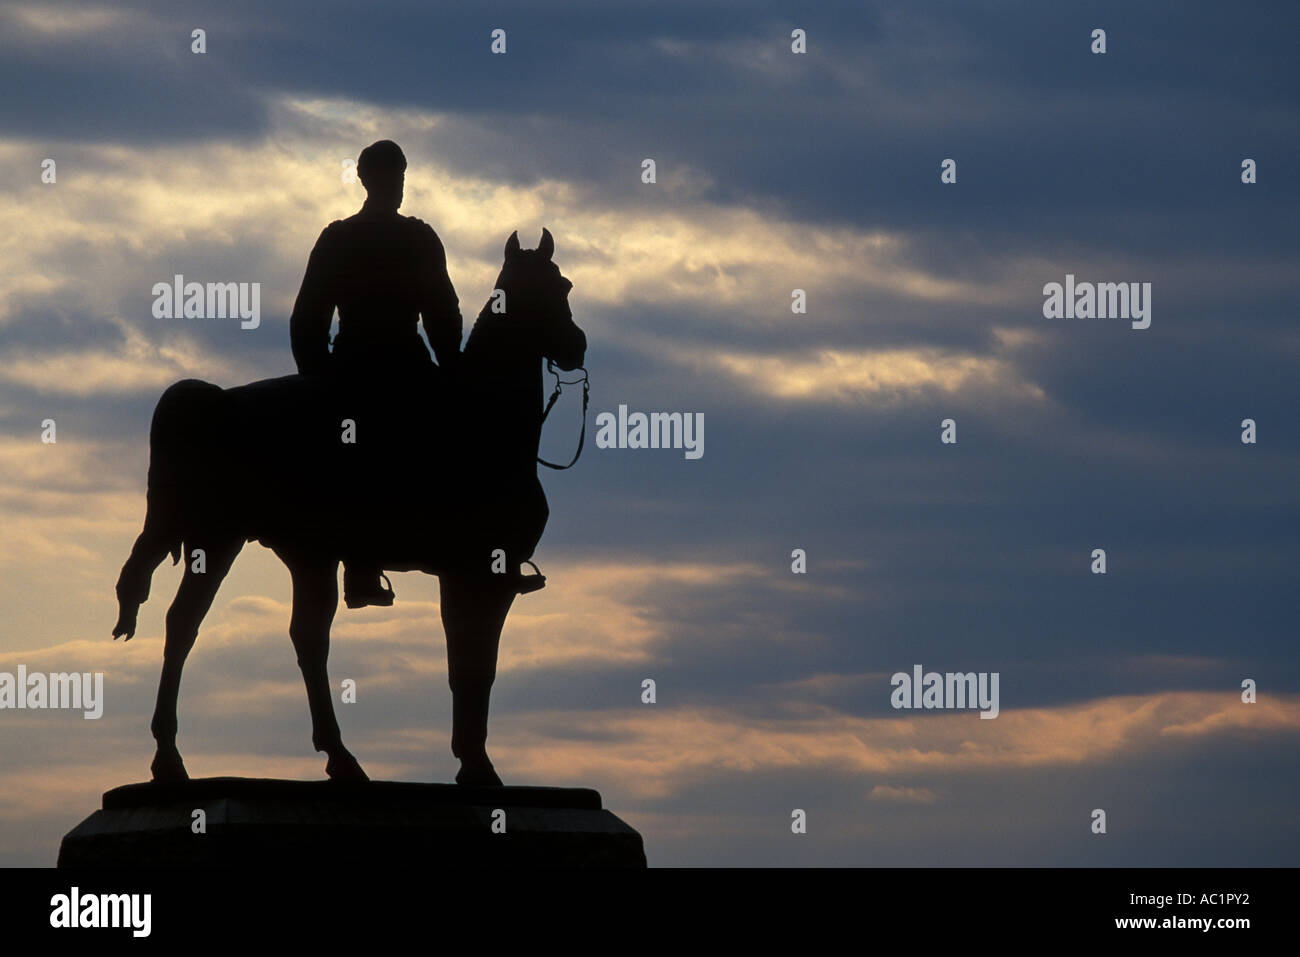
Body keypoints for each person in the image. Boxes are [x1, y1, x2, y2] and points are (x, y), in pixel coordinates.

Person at [289, 140, 462, 608]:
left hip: (357, 367)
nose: (398, 186)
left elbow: (306, 322)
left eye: (400, 177)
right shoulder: (411, 238)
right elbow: (444, 317)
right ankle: (366, 566)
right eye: (393, 177)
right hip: (392, 367)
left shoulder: (342, 238)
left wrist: (318, 376)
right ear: (370, 180)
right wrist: (454, 370)